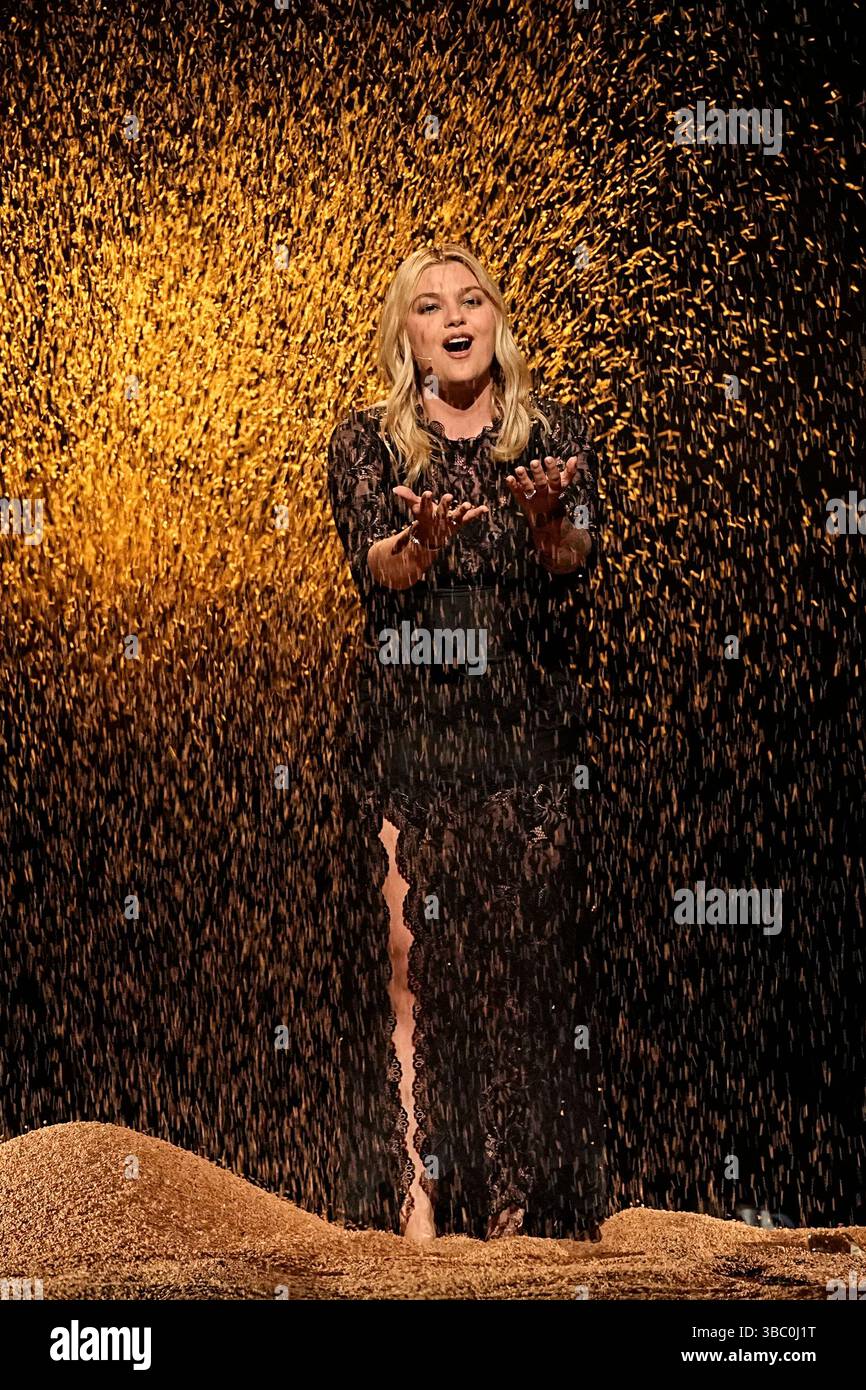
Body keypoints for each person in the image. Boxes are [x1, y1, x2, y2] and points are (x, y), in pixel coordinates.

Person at [326, 241, 606, 1242]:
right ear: (405, 332)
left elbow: (576, 554)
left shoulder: (551, 437)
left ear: (495, 319)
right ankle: (421, 1207)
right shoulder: (370, 442)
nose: (452, 315)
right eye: (427, 304)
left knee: (521, 965)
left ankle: (520, 1212)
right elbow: (379, 568)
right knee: (414, 965)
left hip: (528, 738)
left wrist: (542, 528)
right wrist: (419, 546)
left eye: (470, 299)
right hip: (417, 738)